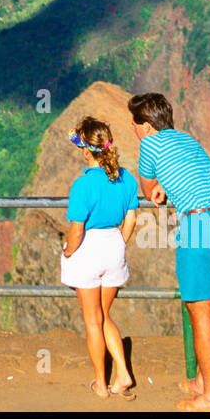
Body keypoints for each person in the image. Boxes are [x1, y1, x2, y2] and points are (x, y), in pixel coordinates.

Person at [128, 92, 210, 412]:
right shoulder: (186, 138)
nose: (133, 129)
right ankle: (203, 382)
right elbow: (186, 173)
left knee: (202, 315)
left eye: (135, 123)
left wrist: (155, 190)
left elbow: (149, 189)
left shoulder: (148, 145)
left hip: (200, 224)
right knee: (203, 309)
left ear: (147, 126)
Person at [61, 115, 139, 400]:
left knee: (93, 321)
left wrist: (67, 252)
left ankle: (101, 384)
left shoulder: (82, 184)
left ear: (85, 151)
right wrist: (120, 243)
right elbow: (131, 220)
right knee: (105, 316)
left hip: (89, 250)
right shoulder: (126, 178)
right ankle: (123, 372)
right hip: (114, 245)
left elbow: (77, 231)